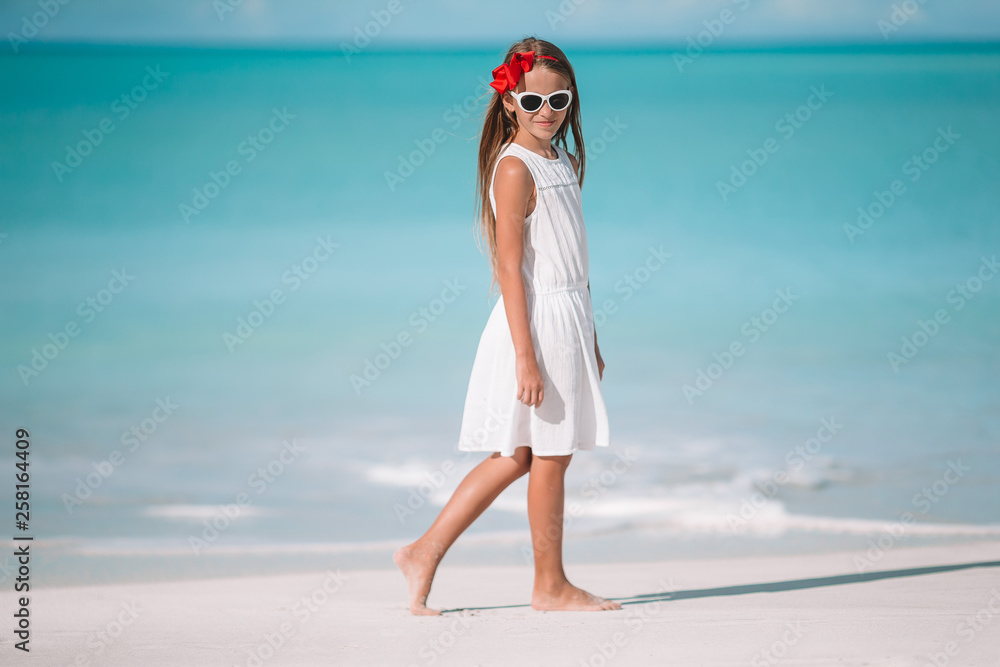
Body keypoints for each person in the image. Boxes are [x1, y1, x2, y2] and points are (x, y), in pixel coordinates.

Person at [393, 36, 620, 615]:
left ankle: (424, 550)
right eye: (533, 101)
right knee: (548, 453)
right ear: (508, 102)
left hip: (567, 320)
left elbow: (575, 258)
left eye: (559, 100)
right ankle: (549, 585)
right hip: (535, 324)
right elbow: (510, 268)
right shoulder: (515, 168)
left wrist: (591, 336)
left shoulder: (559, 160)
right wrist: (526, 354)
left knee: (521, 455)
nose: (547, 112)